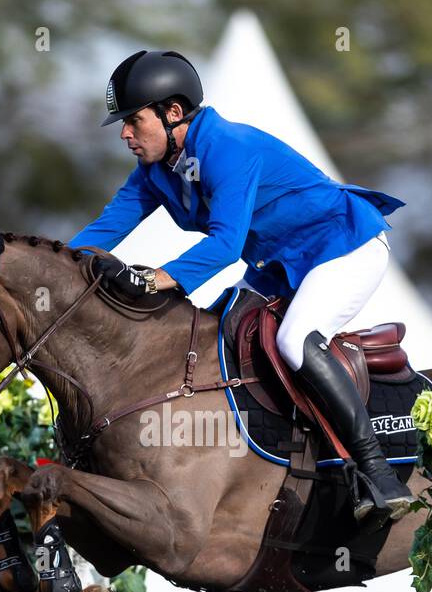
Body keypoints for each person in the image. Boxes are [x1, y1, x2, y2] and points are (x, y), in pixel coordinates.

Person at [70, 49, 413, 525]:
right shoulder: (154, 172)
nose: (125, 134)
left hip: (342, 246)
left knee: (295, 340)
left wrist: (153, 278)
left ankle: (377, 471)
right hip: (279, 266)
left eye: (133, 120)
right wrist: (39, 266)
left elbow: (226, 245)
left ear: (173, 114)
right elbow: (99, 235)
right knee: (212, 337)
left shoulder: (229, 147)